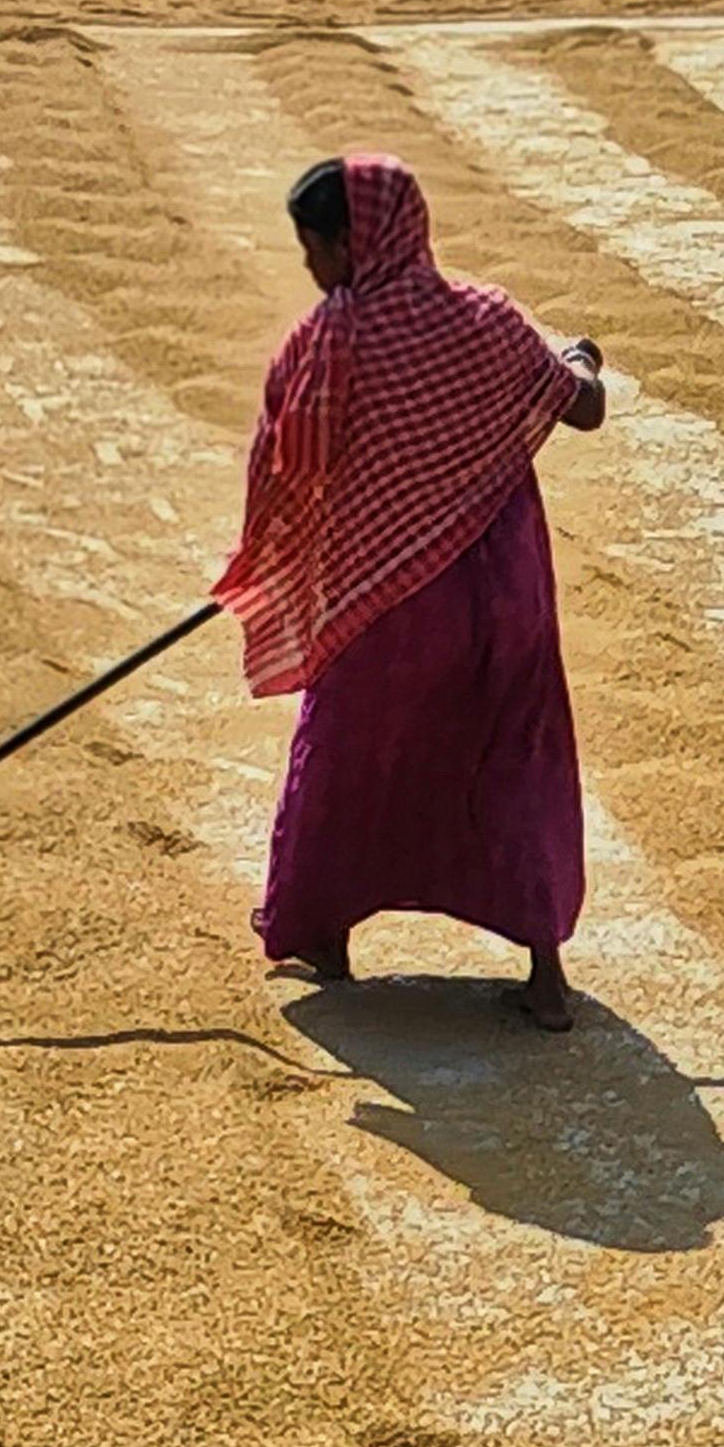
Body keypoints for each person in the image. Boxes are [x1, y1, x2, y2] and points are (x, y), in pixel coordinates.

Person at [216, 155, 608, 1031]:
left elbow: (292, 470)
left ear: (356, 242)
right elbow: (581, 410)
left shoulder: (326, 341)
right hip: (502, 596)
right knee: (515, 758)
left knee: (349, 760)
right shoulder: (490, 317)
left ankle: (319, 932)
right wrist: (579, 361)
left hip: (382, 605)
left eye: (317, 248)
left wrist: (272, 562)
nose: (313, 267)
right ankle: (546, 975)